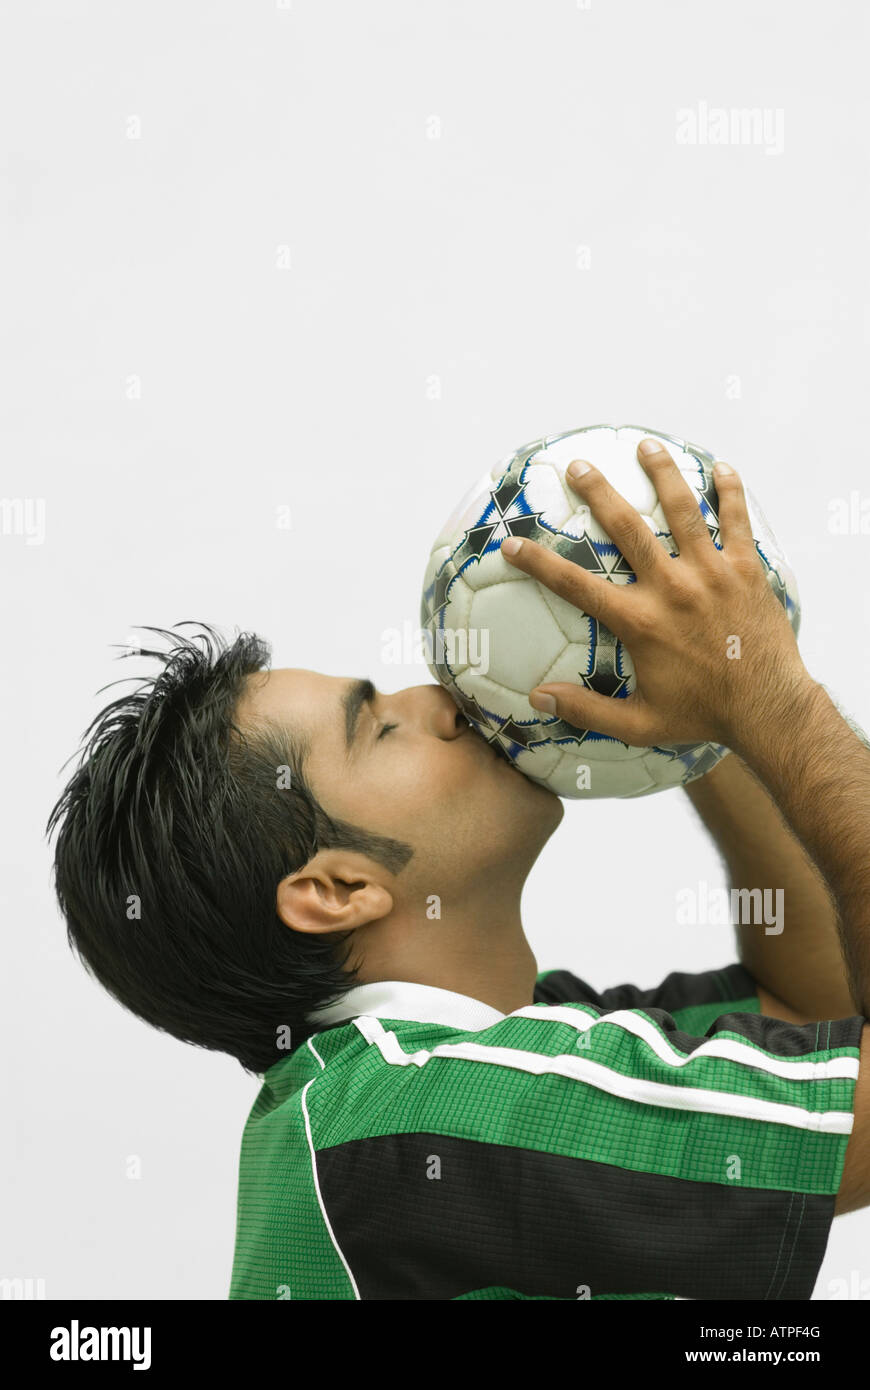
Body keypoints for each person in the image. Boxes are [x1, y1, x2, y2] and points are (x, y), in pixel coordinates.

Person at [47, 440, 870, 1300]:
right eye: (379, 728)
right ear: (337, 891)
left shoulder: (468, 1062)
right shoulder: (426, 1116)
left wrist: (701, 714)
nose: (441, 701)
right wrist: (771, 699)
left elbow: (821, 1003)